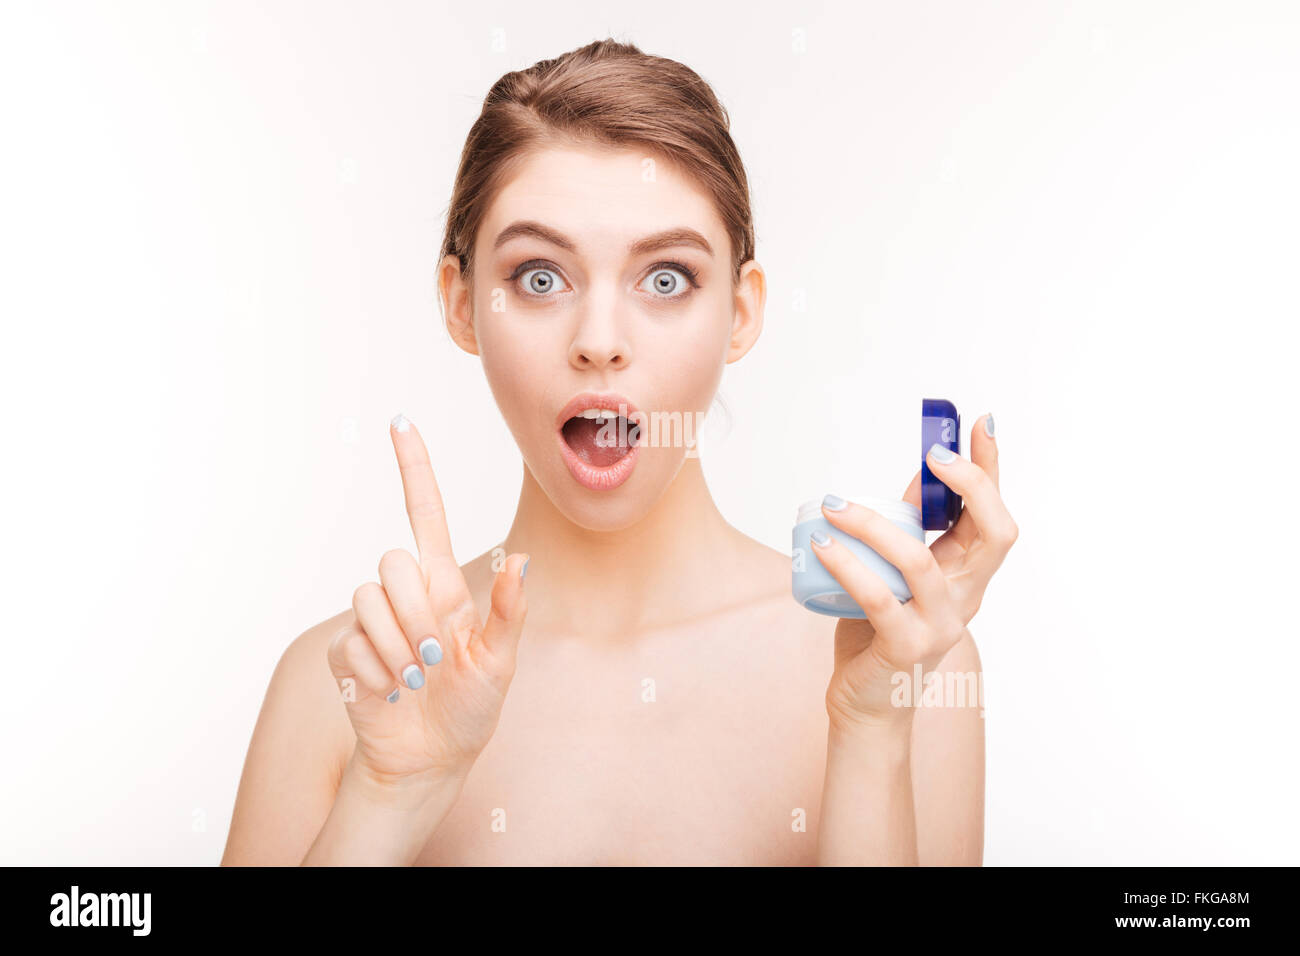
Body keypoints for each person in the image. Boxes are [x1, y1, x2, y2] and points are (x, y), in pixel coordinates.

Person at [221, 38, 1018, 866]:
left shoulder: (910, 657)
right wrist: (390, 796)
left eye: (666, 279)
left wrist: (873, 732)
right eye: (539, 277)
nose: (599, 341)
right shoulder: (345, 685)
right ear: (461, 303)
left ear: (741, 312)